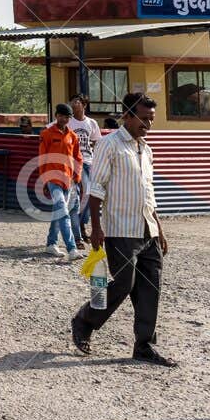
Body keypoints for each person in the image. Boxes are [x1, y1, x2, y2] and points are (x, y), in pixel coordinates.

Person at [71, 92, 176, 367]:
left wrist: (160, 230)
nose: (147, 126)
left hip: (147, 230)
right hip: (120, 229)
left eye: (151, 120)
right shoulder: (110, 144)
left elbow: (148, 194)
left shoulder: (146, 150)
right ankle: (84, 322)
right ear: (127, 115)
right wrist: (95, 228)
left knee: (151, 288)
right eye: (143, 119)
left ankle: (144, 346)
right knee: (122, 284)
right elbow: (96, 189)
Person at [38, 103, 83, 259]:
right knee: (64, 213)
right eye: (62, 116)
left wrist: (77, 176)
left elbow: (78, 157)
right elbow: (42, 158)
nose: (64, 119)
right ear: (56, 116)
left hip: (69, 180)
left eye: (67, 117)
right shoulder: (47, 134)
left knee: (58, 212)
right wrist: (44, 181)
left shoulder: (73, 136)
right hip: (53, 179)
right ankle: (72, 249)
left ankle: (51, 244)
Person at [67, 94, 101, 244]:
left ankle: (81, 224)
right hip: (73, 163)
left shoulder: (91, 123)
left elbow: (97, 142)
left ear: (84, 105)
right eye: (73, 101)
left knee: (89, 194)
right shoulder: (68, 121)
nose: (74, 104)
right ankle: (77, 230)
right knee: (77, 195)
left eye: (78, 101)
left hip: (89, 161)